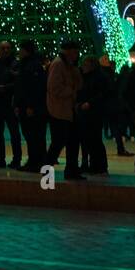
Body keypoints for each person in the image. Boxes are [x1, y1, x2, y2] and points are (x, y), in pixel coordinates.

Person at [46, 39, 86, 181]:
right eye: (75, 52)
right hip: (60, 111)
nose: (77, 55)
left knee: (71, 142)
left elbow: (78, 83)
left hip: (68, 111)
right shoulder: (58, 64)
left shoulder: (69, 65)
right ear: (69, 52)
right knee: (59, 142)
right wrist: (72, 91)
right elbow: (54, 88)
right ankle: (47, 171)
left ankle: (71, 170)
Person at [13, 39, 47, 172]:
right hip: (26, 106)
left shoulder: (31, 66)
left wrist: (30, 106)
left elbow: (33, 88)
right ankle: (36, 161)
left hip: (30, 107)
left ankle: (36, 162)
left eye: (20, 50)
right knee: (32, 135)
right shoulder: (29, 65)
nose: (19, 52)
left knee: (33, 135)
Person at [76, 55, 108, 175]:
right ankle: (94, 165)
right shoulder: (89, 76)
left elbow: (102, 94)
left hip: (93, 112)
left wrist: (89, 103)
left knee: (94, 140)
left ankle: (98, 165)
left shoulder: (96, 78)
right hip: (87, 111)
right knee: (89, 140)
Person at [0, 40, 22, 168]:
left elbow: (19, 82)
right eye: (3, 48)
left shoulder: (15, 64)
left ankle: (16, 159)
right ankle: (1, 158)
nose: (6, 50)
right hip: (0, 103)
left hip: (10, 103)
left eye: (8, 48)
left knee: (14, 133)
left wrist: (5, 87)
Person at [101, 54, 132, 157]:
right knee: (115, 126)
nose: (108, 60)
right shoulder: (105, 73)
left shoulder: (108, 73)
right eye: (105, 59)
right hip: (108, 105)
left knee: (116, 127)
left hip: (111, 106)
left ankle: (120, 148)